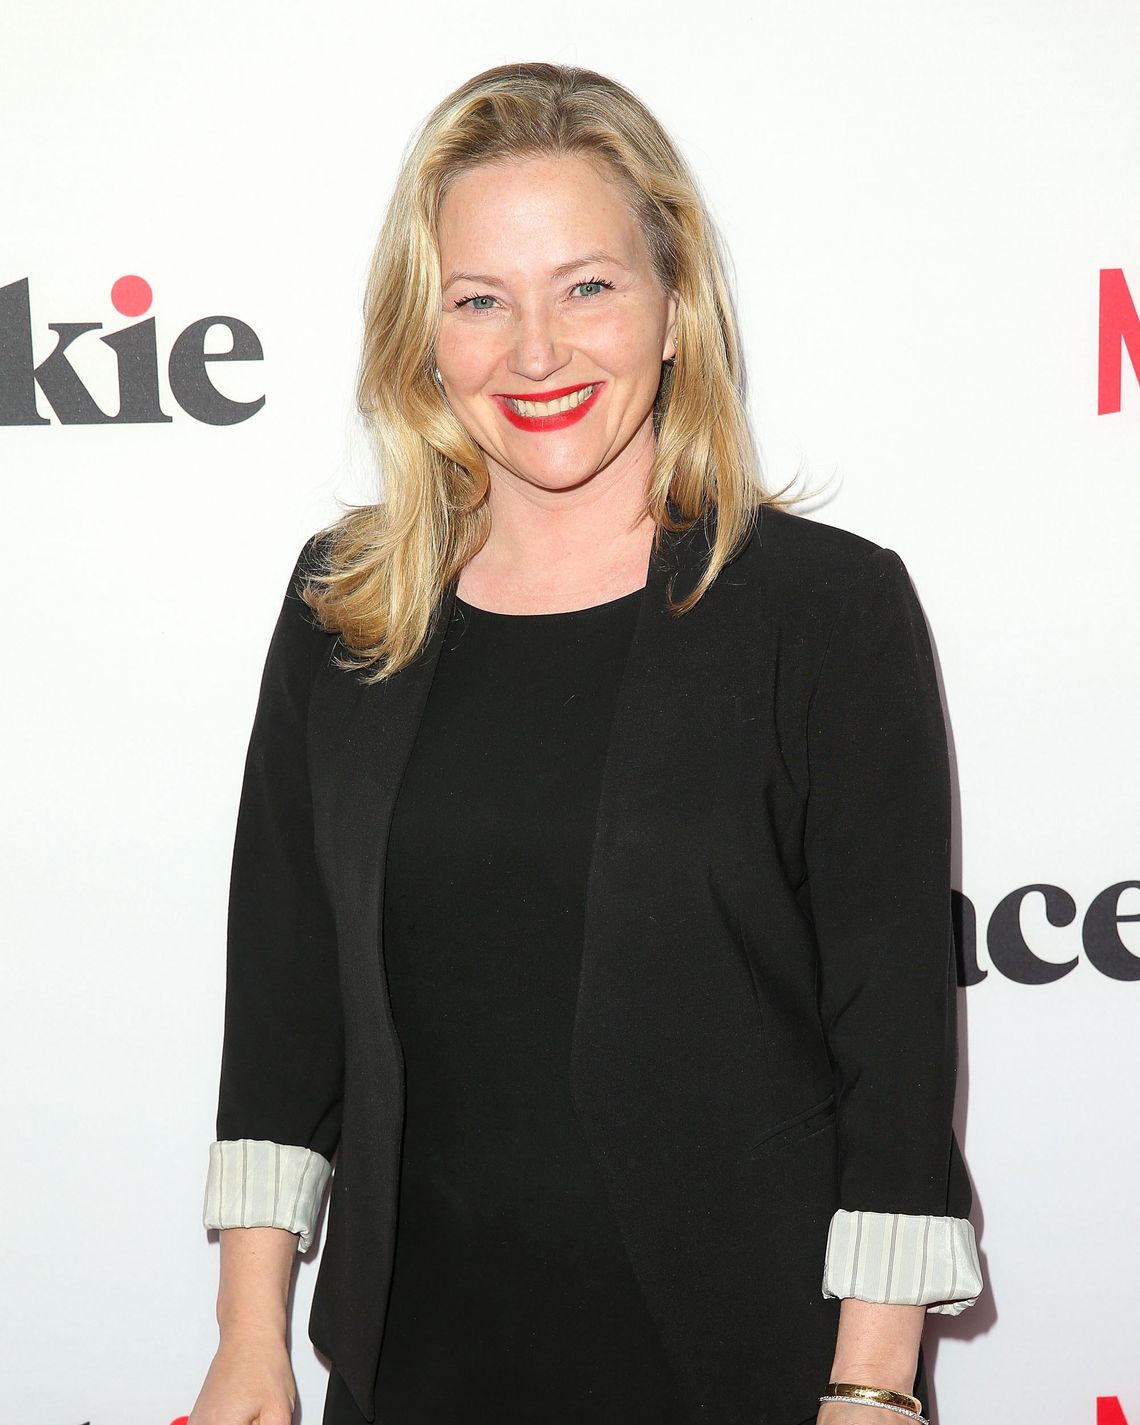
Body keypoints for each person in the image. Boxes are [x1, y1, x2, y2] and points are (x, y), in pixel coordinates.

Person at [189, 61, 983, 1425]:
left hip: (745, 1372)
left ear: (676, 307)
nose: (538, 353)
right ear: (423, 332)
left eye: (588, 287)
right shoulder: (345, 603)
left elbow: (894, 1036)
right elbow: (284, 993)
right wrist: (249, 1333)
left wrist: (874, 1383)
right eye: (480, 300)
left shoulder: (825, 610)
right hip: (413, 1370)